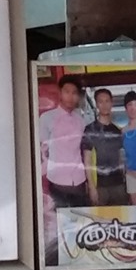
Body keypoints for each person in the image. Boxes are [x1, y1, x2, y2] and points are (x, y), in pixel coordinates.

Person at [39, 75, 90, 211]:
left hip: (79, 179)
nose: (70, 97)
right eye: (67, 92)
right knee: (59, 219)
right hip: (57, 181)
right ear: (60, 93)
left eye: (74, 93)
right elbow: (42, 148)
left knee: (81, 218)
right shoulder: (47, 118)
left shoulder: (81, 121)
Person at [81, 87, 127, 204]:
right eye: (101, 101)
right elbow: (87, 160)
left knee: (121, 214)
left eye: (107, 101)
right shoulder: (90, 130)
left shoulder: (117, 130)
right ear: (97, 104)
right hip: (99, 186)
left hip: (118, 184)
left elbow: (121, 158)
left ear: (112, 103)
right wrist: (91, 187)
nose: (104, 105)